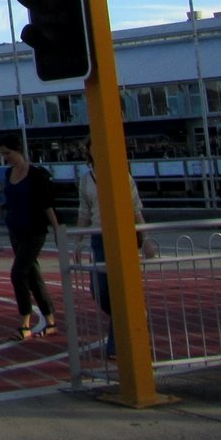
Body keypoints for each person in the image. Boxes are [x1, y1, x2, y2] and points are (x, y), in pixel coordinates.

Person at [74, 139, 144, 357]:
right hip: (98, 237)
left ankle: (117, 344)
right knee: (100, 290)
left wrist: (146, 236)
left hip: (122, 235)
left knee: (118, 288)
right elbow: (84, 212)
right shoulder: (86, 179)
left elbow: (135, 209)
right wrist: (78, 241)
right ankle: (132, 315)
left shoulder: (123, 175)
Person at [0, 133, 59, 340]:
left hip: (34, 230)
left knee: (18, 273)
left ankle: (25, 322)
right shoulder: (9, 173)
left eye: (7, 153)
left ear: (17, 150)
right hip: (16, 230)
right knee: (33, 275)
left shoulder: (36, 174)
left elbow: (46, 203)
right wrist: (0, 207)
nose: (5, 157)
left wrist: (56, 228)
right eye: (2, 154)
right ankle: (51, 320)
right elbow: (12, 199)